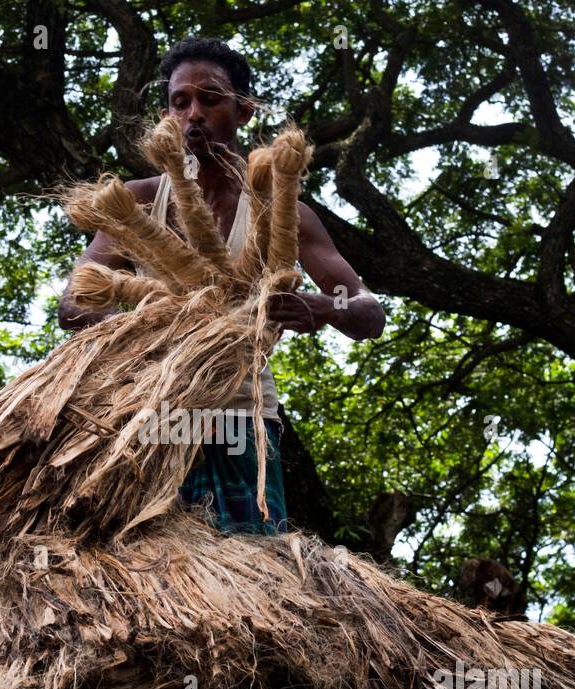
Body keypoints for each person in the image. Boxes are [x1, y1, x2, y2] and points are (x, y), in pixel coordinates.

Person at [58, 37, 385, 534]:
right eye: (179, 102)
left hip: (242, 416)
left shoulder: (286, 214)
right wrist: (159, 322)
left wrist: (327, 308)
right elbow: (74, 304)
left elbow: (369, 312)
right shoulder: (137, 201)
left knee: (248, 560)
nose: (193, 114)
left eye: (210, 99)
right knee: (136, 557)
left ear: (245, 110)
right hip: (144, 406)